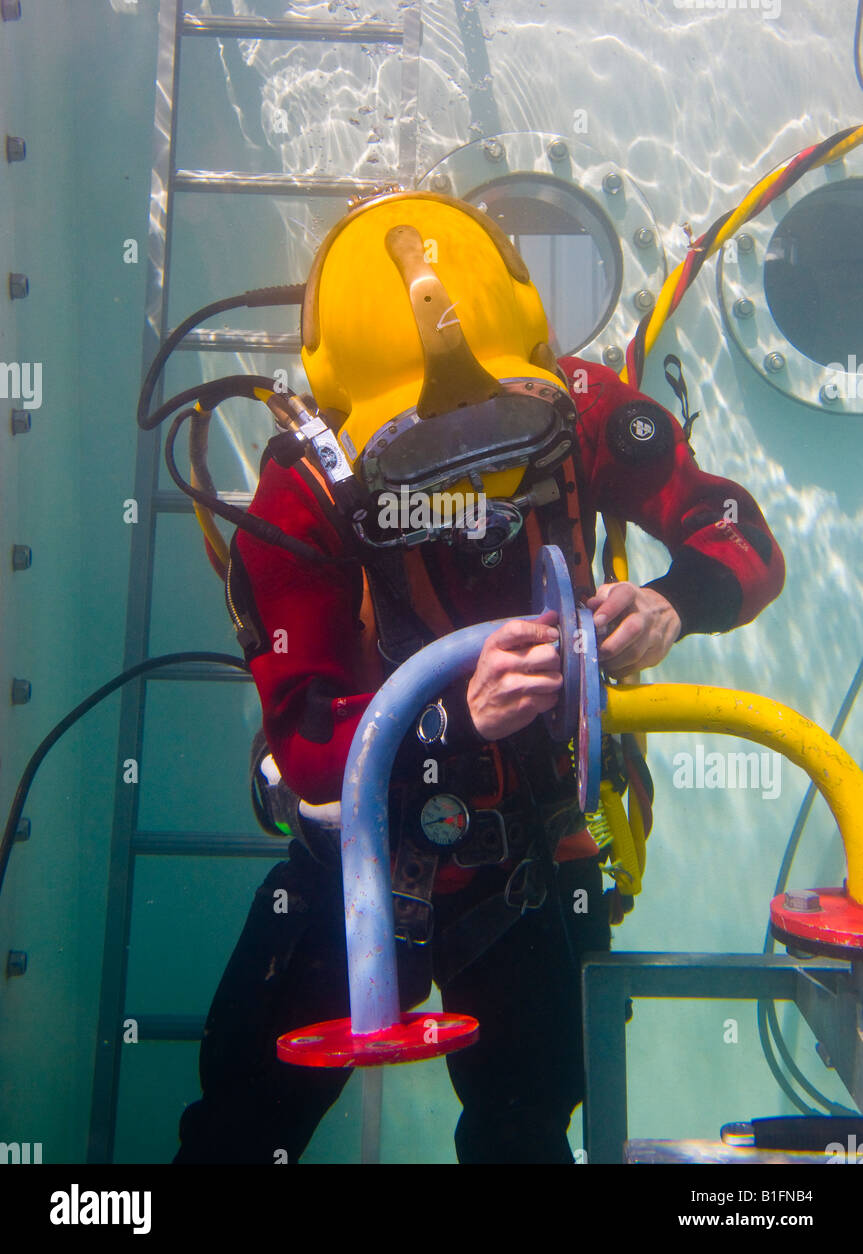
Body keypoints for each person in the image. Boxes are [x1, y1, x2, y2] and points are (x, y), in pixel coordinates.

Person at [173, 190, 785, 1165]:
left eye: (496, 419)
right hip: (362, 858)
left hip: (534, 854)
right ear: (347, 417)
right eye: (422, 442)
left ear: (533, 366)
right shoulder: (301, 493)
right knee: (242, 1129)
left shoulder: (580, 410)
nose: (469, 470)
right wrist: (449, 716)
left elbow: (737, 535)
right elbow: (308, 741)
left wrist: (673, 600)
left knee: (526, 1131)